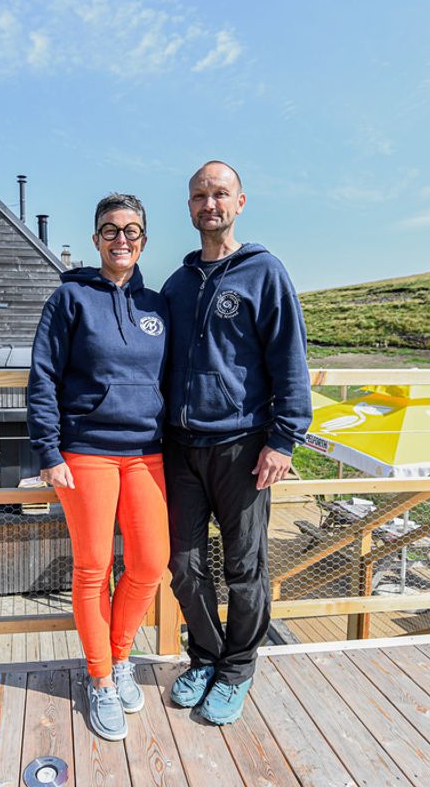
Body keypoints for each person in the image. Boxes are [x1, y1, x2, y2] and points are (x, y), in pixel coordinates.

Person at [162, 161, 312, 725]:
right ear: (190, 206)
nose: (209, 204)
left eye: (219, 194)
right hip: (179, 448)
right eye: (199, 195)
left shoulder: (263, 272)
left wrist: (285, 439)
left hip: (244, 446)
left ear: (240, 202)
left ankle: (238, 665)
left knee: (245, 565)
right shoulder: (176, 285)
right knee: (183, 563)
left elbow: (288, 359)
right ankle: (204, 656)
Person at [27, 192, 170, 741]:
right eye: (110, 230)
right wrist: (47, 451)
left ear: (143, 241)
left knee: (150, 564)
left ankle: (119, 656)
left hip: (147, 453)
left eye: (131, 231)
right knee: (92, 570)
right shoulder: (69, 299)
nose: (121, 240)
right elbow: (43, 376)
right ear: (95, 239)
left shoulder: (157, 306)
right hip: (84, 451)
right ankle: (100, 679)